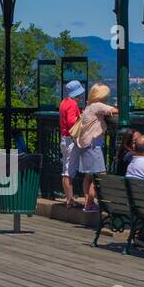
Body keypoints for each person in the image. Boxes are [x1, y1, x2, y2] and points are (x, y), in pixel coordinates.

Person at [75, 84, 118, 212]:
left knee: (88, 176)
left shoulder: (88, 107)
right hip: (94, 145)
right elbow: (115, 111)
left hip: (84, 145)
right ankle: (89, 205)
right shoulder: (97, 106)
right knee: (99, 175)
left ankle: (88, 203)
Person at [58, 80, 85, 208]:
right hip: (70, 139)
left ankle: (68, 198)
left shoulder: (63, 102)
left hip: (64, 138)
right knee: (69, 171)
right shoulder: (73, 104)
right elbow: (71, 122)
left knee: (66, 168)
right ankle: (70, 199)